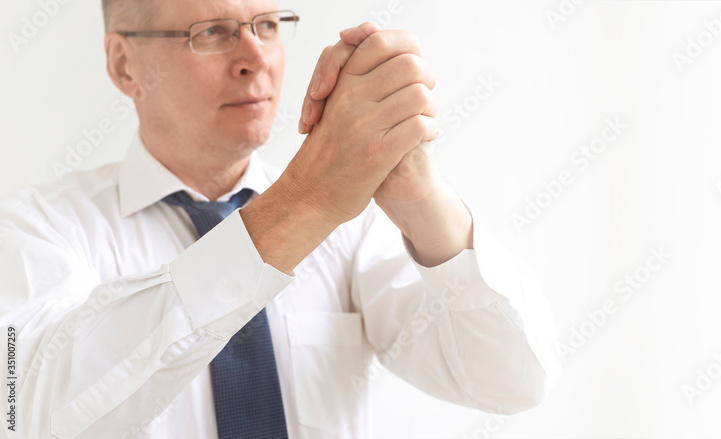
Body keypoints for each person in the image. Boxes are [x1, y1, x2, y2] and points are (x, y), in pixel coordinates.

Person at [0, 0, 560, 437]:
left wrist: (417, 191)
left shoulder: (356, 223)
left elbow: (514, 381)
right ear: (124, 65)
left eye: (268, 25)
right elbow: (25, 414)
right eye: (213, 32)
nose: (255, 57)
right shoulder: (34, 229)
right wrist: (303, 201)